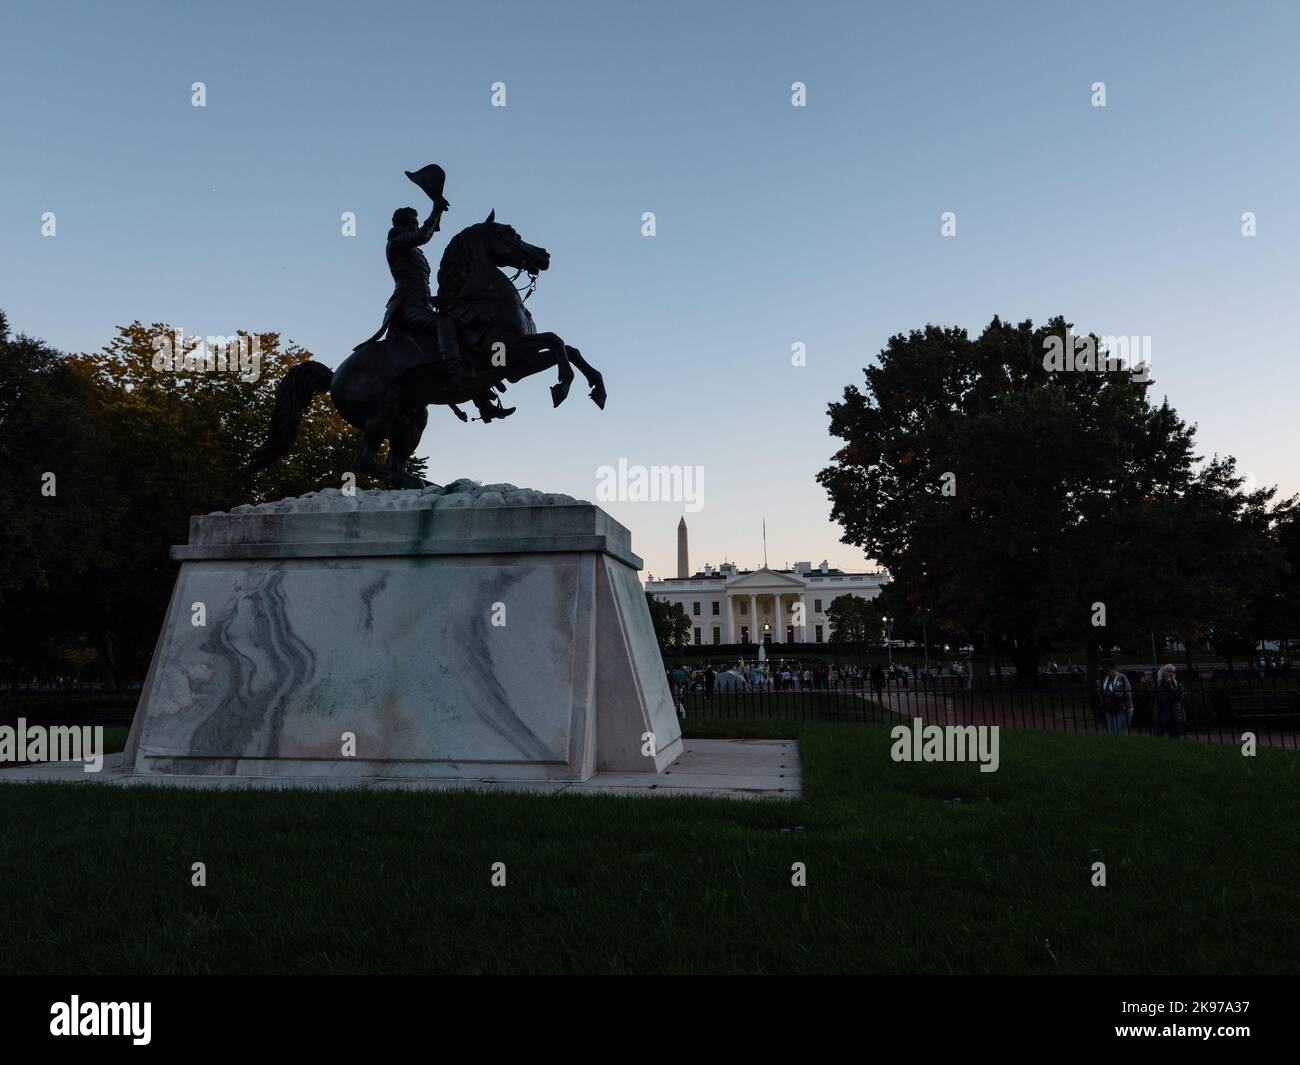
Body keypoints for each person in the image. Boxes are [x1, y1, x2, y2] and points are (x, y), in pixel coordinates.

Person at [1152, 664, 1185, 738]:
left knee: (1175, 737)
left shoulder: (1177, 684)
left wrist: (1170, 685)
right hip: (1160, 715)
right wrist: (1160, 681)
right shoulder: (1158, 684)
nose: (1169, 674)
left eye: (1172, 672)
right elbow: (1156, 695)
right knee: (1158, 736)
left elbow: (1178, 696)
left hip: (1175, 715)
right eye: (1167, 671)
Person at [1101, 660, 1133, 735]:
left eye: (1107, 670)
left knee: (1121, 732)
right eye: (1103, 670)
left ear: (1113, 669)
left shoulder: (1122, 678)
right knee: (1111, 732)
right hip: (1110, 708)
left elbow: (1128, 694)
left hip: (1122, 708)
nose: (1105, 672)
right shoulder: (1105, 678)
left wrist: (1114, 695)